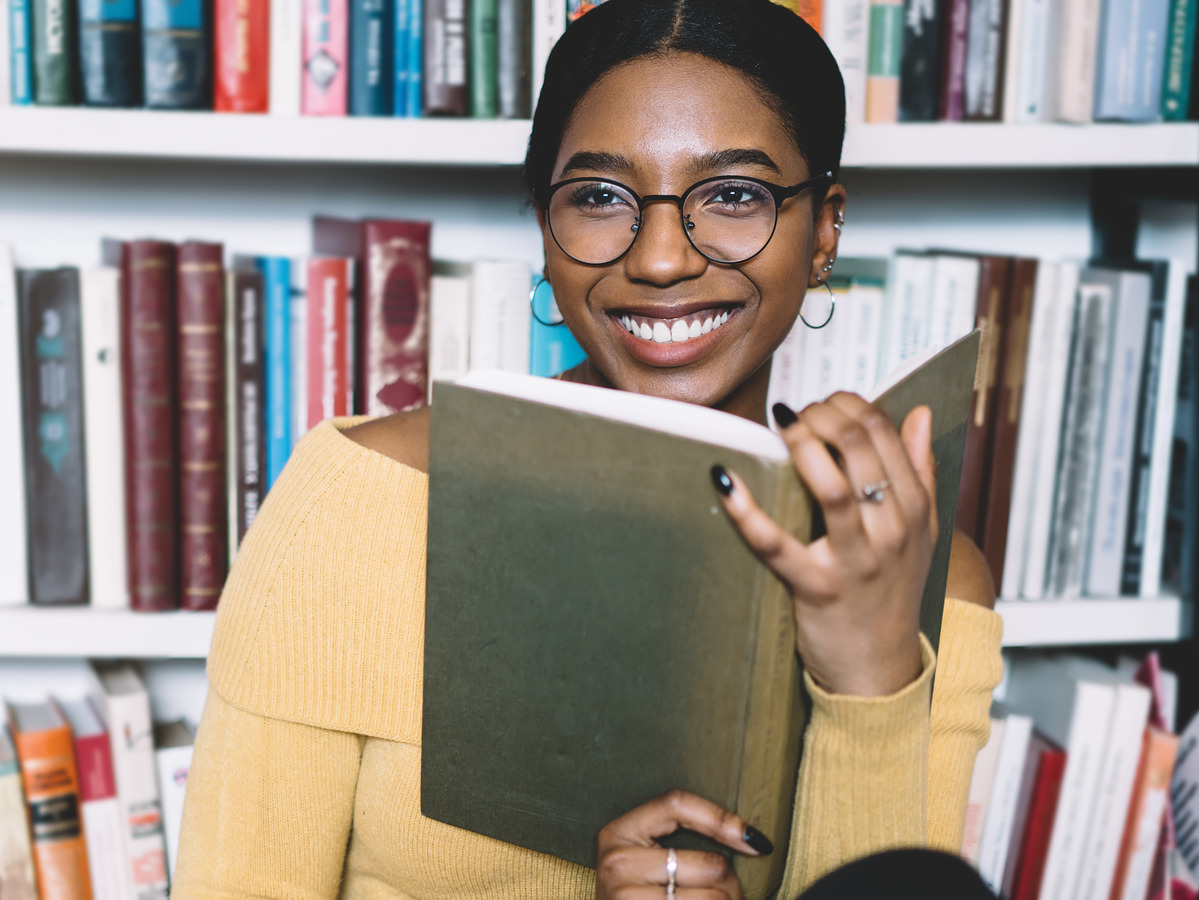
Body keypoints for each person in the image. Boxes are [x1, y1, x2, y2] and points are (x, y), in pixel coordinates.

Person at [170, 0, 1007, 896]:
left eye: (734, 195)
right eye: (601, 197)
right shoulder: (358, 504)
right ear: (545, 230)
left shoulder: (923, 572)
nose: (659, 259)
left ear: (824, 231)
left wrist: (871, 681)